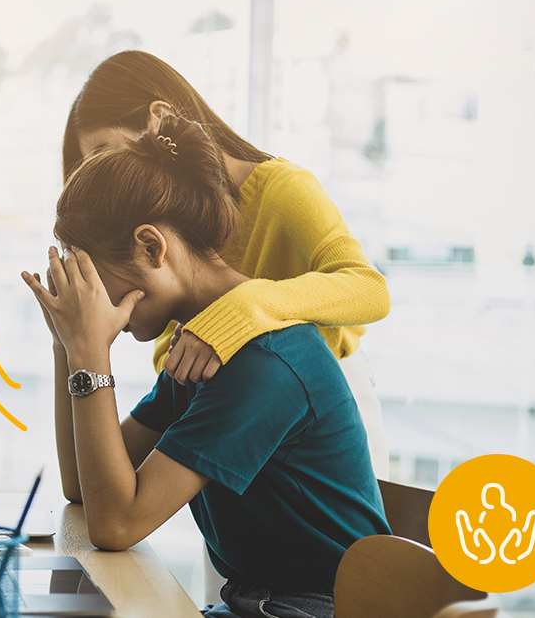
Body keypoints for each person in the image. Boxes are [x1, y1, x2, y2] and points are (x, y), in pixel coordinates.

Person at [21, 115, 390, 618]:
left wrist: (90, 354)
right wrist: (68, 344)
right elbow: (83, 490)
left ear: (152, 247)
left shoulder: (262, 363)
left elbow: (117, 524)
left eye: (92, 277)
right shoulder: (203, 344)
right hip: (254, 604)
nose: (91, 300)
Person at [62, 50, 390, 478]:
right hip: (227, 406)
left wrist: (241, 308)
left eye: (104, 153)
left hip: (316, 419)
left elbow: (369, 289)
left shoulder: (282, 189)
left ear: (158, 119)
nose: (104, 177)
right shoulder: (166, 237)